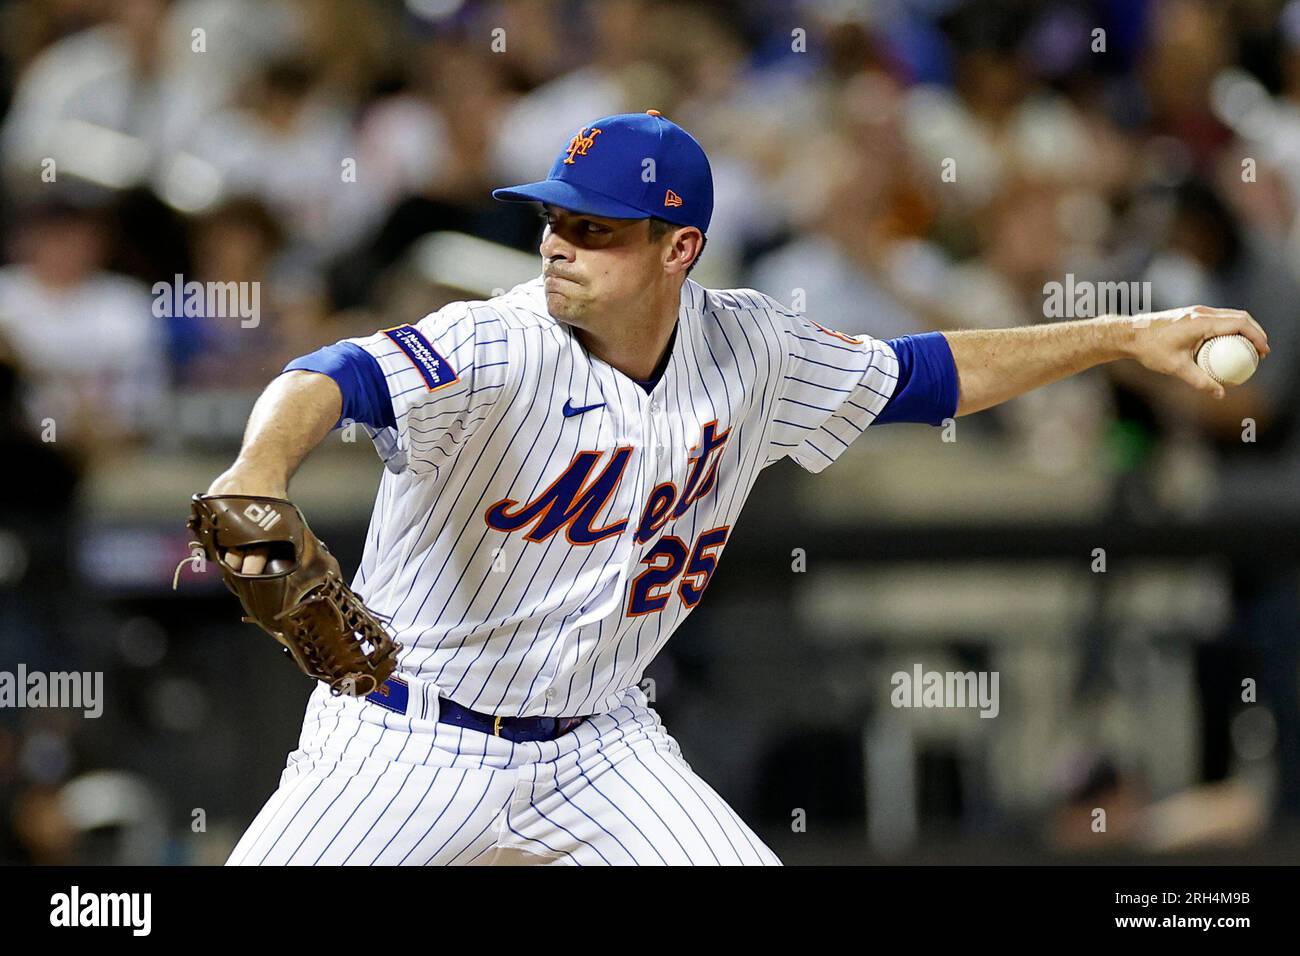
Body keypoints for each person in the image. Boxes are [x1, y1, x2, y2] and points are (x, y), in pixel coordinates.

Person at [206, 111, 1267, 866]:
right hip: (404, 732)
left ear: (681, 249)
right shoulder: (495, 340)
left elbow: (928, 372)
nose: (557, 247)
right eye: (554, 220)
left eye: (595, 229)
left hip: (597, 744)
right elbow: (329, 376)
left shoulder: (751, 345)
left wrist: (1123, 334)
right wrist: (260, 468)